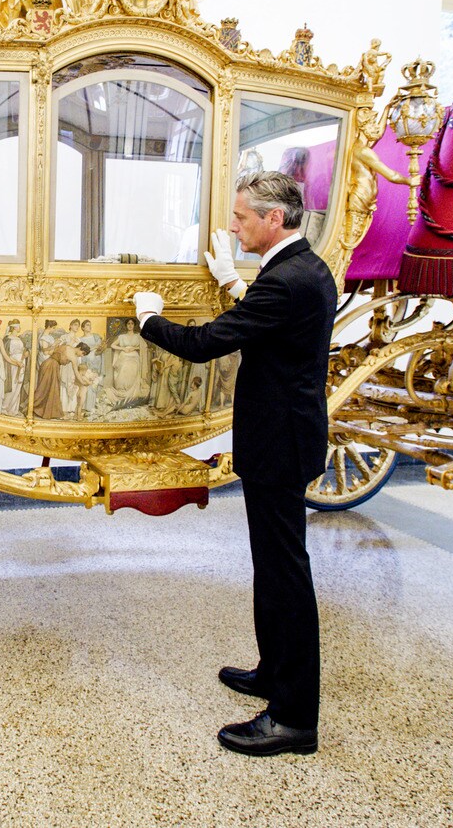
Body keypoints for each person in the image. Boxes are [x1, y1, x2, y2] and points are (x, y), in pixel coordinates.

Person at [134, 170, 337, 757]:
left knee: (285, 575)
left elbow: (205, 345)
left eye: (243, 216)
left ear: (275, 219)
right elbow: (270, 326)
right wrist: (230, 281)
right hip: (283, 438)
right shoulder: (304, 268)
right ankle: (274, 673)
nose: (233, 225)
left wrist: (150, 320)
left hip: (279, 444)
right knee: (274, 569)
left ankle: (295, 717)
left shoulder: (287, 280)